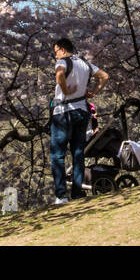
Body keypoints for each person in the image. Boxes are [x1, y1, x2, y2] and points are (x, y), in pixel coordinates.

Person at [50, 37, 109, 205]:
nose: (55, 56)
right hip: (82, 111)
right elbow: (104, 76)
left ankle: (61, 196)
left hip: (63, 112)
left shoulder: (63, 61)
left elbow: (59, 73)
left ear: (62, 50)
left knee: (57, 155)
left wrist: (65, 89)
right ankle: (77, 193)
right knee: (78, 154)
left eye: (55, 52)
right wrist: (94, 91)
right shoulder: (84, 63)